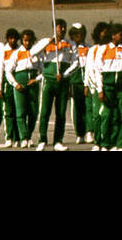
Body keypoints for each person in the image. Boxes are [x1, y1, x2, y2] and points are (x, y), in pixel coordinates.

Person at [92, 23, 122, 151]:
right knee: (107, 116)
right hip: (108, 88)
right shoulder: (103, 49)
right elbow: (98, 70)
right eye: (120, 34)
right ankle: (105, 143)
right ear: (113, 35)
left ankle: (120, 144)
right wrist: (100, 90)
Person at [34, 18, 75, 151]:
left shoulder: (70, 44)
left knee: (61, 112)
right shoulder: (45, 42)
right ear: (54, 29)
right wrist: (47, 43)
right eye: (59, 27)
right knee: (44, 111)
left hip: (62, 81)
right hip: (48, 80)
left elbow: (76, 62)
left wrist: (65, 74)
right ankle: (42, 140)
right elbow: (32, 53)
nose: (62, 30)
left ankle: (58, 141)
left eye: (64, 27)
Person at [3, 29, 42, 148]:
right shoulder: (17, 53)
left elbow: (43, 69)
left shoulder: (37, 53)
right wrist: (15, 84)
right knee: (20, 112)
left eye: (30, 41)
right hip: (20, 79)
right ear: (22, 41)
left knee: (33, 111)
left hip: (33, 81)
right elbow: (8, 71)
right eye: (25, 40)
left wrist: (36, 79)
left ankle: (29, 135)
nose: (27, 43)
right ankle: (23, 137)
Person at [0, 28, 19, 147]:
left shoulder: (20, 50)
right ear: (7, 39)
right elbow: (0, 69)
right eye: (11, 38)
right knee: (8, 112)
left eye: (15, 38)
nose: (13, 40)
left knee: (18, 111)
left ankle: (18, 138)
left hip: (18, 81)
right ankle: (9, 137)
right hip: (6, 84)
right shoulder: (4, 51)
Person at [66, 23, 89, 144]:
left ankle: (89, 131)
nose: (79, 37)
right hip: (74, 81)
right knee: (77, 109)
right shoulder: (69, 48)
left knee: (88, 108)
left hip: (86, 81)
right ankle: (79, 133)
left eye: (82, 34)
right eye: (76, 34)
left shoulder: (89, 47)